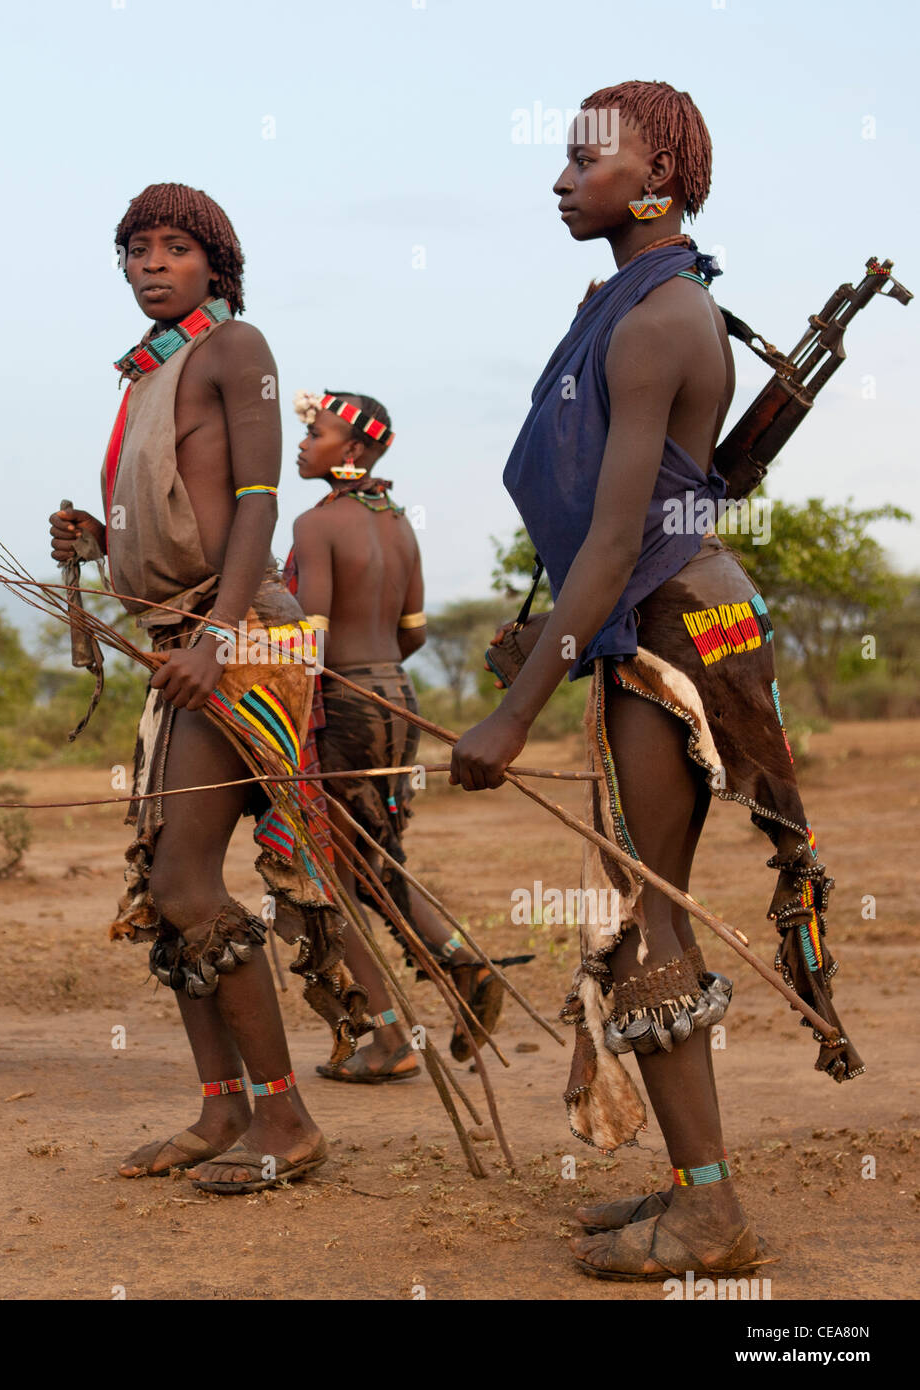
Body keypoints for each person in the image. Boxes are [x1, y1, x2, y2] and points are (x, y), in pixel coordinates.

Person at [449, 81, 862, 1280]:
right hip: (661, 614)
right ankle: (691, 1187)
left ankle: (715, 1215)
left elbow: (620, 543)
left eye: (588, 158)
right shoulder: (631, 306)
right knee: (643, 910)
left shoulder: (661, 319)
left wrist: (513, 714)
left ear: (660, 176)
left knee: (644, 917)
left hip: (672, 626)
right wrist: (540, 644)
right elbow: (600, 538)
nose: (562, 177)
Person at [51, 183, 367, 1195]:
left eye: (173, 247)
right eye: (135, 248)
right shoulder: (148, 374)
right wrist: (103, 546)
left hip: (237, 638)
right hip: (180, 637)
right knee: (165, 887)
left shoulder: (237, 349)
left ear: (213, 264)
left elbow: (257, 498)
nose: (150, 263)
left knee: (187, 882)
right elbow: (179, 506)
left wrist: (222, 632)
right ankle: (223, 1106)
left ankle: (283, 1114)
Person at [286, 389, 517, 1080]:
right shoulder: (399, 526)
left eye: (315, 432)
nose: (301, 444)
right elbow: (413, 632)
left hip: (343, 704)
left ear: (351, 451)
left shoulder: (314, 523)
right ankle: (444, 983)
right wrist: (376, 674)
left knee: (331, 874)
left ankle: (395, 1035)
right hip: (395, 698)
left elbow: (309, 636)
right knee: (371, 863)